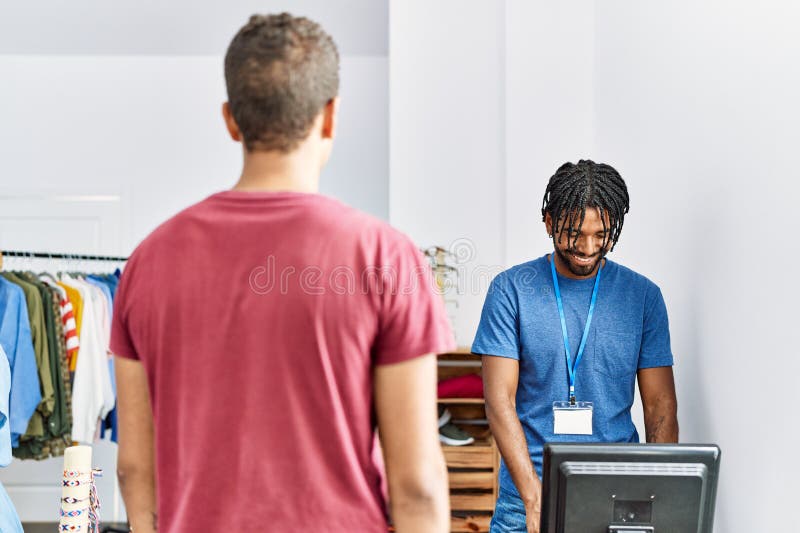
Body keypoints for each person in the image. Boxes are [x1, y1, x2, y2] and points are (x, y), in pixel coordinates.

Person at [111, 13, 453, 533]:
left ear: (231, 121)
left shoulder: (147, 262)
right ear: (330, 116)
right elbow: (417, 487)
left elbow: (136, 469)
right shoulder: (385, 257)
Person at [472, 160, 678, 533]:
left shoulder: (643, 297)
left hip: (618, 493)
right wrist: (533, 498)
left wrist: (657, 493)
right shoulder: (511, 290)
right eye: (574, 233)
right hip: (528, 495)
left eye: (602, 235)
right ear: (549, 222)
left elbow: (659, 404)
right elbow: (499, 400)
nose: (587, 247)